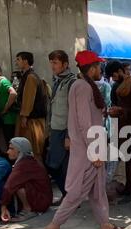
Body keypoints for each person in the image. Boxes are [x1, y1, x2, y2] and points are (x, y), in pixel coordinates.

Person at [42, 51, 121, 229]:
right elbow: (84, 123)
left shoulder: (85, 86)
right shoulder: (82, 87)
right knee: (76, 193)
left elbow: (89, 117)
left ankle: (105, 225)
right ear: (92, 67)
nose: (100, 69)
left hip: (92, 148)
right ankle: (53, 228)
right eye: (98, 66)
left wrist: (105, 112)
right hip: (89, 151)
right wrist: (94, 152)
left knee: (98, 191)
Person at [105, 61, 131, 203]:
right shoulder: (116, 86)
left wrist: (122, 111)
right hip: (121, 126)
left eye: (114, 75)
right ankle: (128, 187)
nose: (113, 78)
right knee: (126, 159)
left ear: (120, 70)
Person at [45, 50, 76, 198]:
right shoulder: (57, 80)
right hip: (55, 129)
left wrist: (69, 135)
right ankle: (67, 195)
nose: (52, 65)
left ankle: (69, 197)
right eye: (51, 62)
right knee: (52, 164)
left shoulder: (72, 82)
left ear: (65, 64)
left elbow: (73, 111)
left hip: (65, 130)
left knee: (63, 167)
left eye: (55, 62)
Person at [0, 137, 52, 223]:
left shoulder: (24, 164)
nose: (8, 151)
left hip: (42, 202)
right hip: (45, 200)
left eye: (11, 149)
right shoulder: (28, 160)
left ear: (20, 151)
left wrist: (3, 206)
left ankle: (29, 210)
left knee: (16, 185)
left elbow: (8, 186)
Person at [14, 52, 49, 160]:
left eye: (18, 59)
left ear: (25, 61)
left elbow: (28, 98)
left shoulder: (30, 77)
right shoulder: (27, 76)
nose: (16, 62)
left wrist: (24, 115)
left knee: (33, 150)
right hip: (30, 119)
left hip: (32, 121)